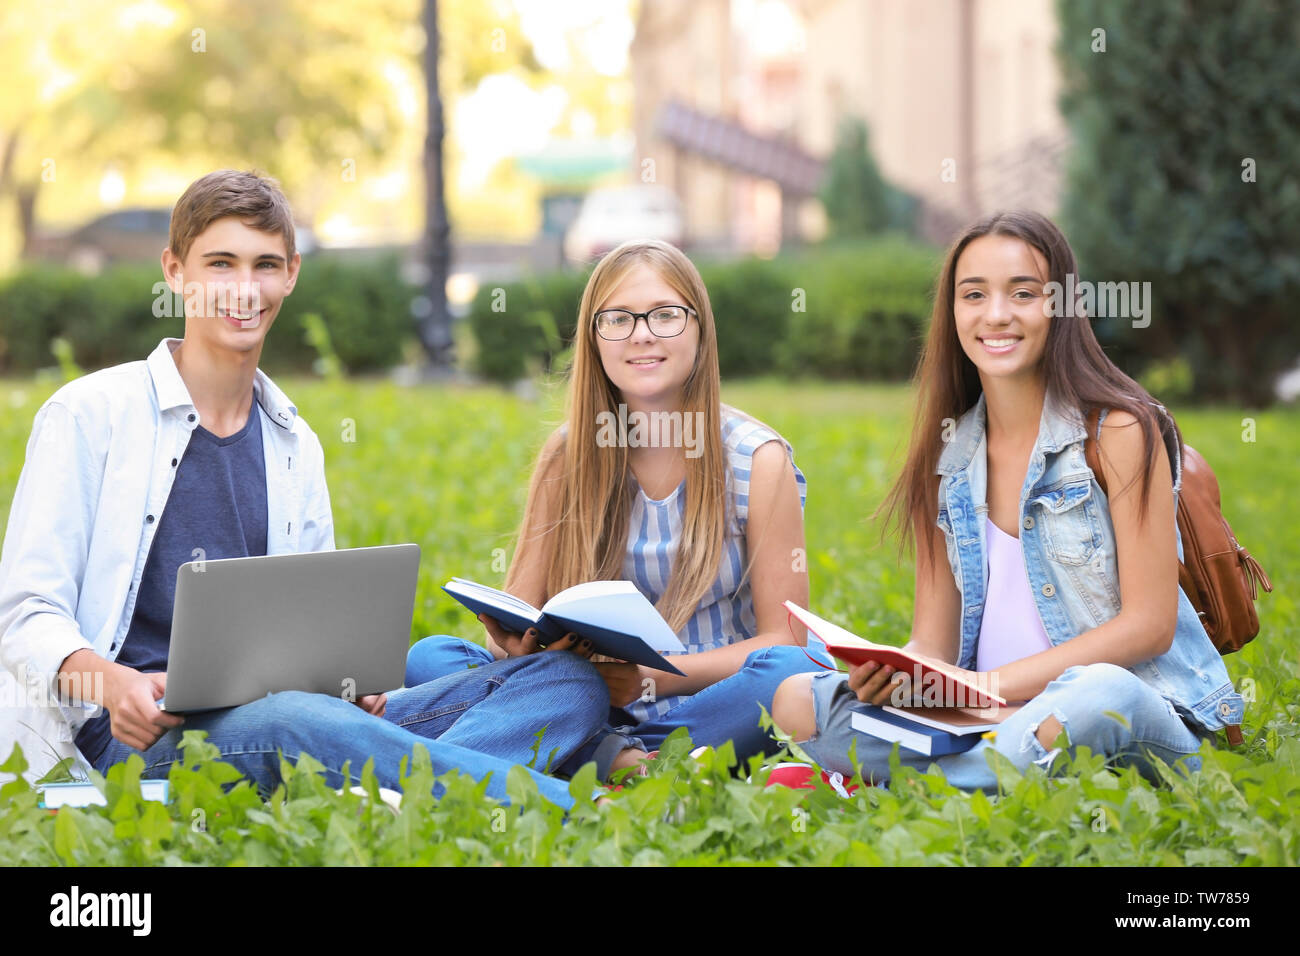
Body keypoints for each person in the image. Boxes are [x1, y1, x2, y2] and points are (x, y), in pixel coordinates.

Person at [0, 169, 608, 809]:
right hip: (133, 742)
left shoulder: (293, 441)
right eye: (220, 263)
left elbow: (309, 631)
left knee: (569, 681)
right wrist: (112, 684)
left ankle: (378, 777)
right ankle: (569, 807)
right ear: (175, 271)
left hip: (276, 715)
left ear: (291, 273)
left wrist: (344, 685)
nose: (244, 288)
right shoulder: (89, 415)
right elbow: (23, 612)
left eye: (265, 265)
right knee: (299, 724)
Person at [770, 210, 1245, 789]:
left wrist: (994, 687)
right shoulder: (944, 458)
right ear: (953, 312)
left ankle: (915, 784)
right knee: (798, 697)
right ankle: (981, 775)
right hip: (990, 720)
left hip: (1131, 715)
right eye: (974, 295)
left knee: (1096, 695)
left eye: (1023, 293)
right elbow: (933, 643)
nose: (996, 315)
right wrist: (900, 677)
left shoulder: (1120, 431)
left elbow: (1149, 627)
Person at [406, 239, 834, 780]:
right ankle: (626, 763)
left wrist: (650, 678)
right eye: (618, 319)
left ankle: (594, 760)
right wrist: (519, 644)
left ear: (699, 329)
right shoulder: (568, 455)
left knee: (796, 670)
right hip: (575, 698)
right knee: (433, 657)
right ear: (595, 339)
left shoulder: (756, 459)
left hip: (702, 708)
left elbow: (787, 638)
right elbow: (510, 616)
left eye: (665, 315)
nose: (642, 334)